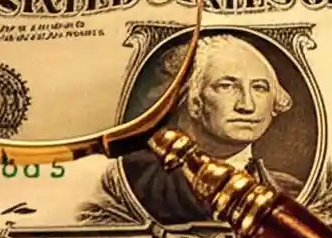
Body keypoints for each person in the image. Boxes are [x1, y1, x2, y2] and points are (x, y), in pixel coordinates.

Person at [123, 34, 304, 224]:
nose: (247, 105)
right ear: (195, 101)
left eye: (259, 88)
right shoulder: (141, 181)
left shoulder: (290, 191)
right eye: (226, 86)